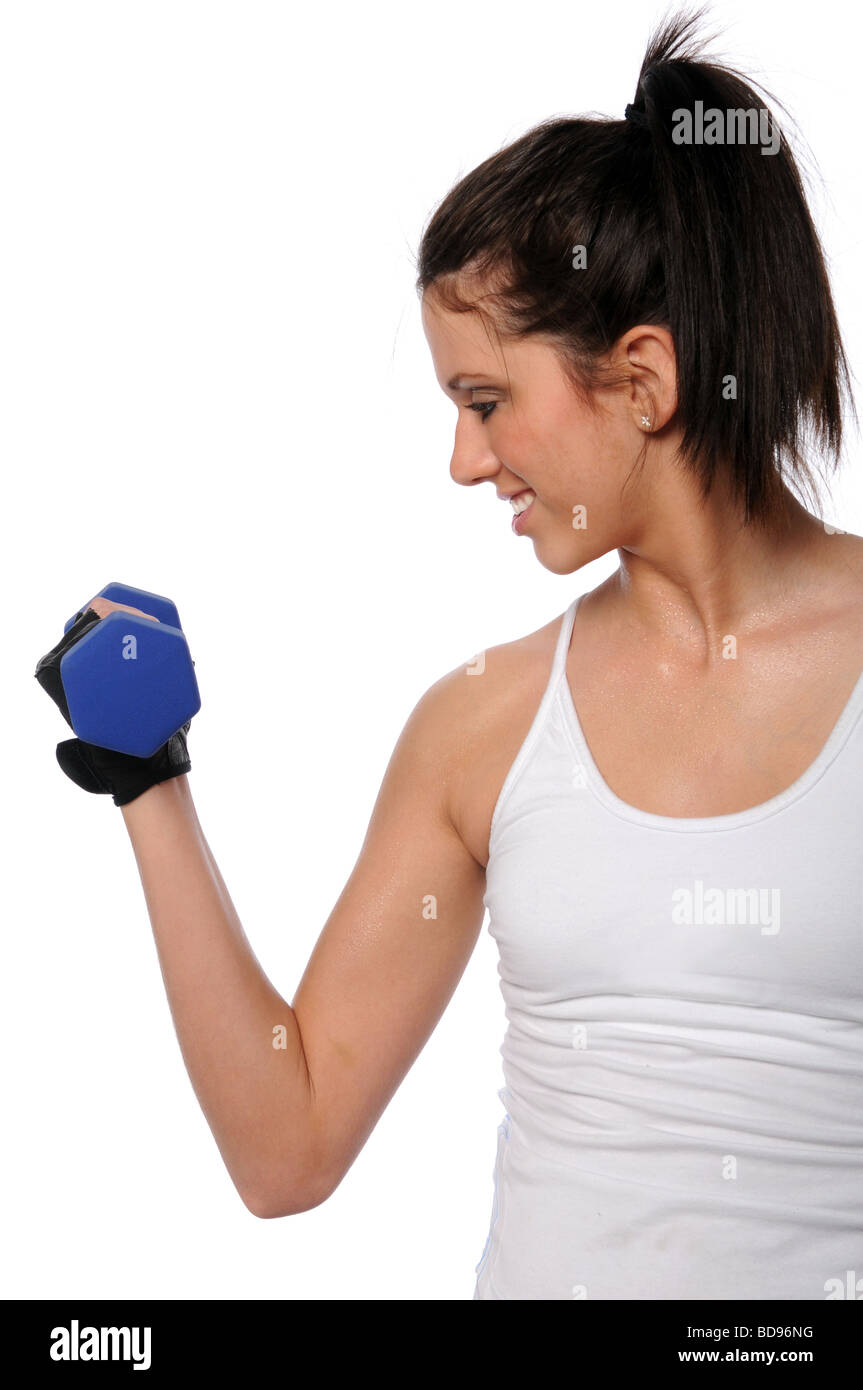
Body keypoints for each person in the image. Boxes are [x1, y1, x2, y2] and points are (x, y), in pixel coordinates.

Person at [40, 6, 863, 1299]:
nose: (466, 461)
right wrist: (146, 775)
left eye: (486, 403)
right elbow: (287, 1142)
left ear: (642, 379)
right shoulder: (482, 729)